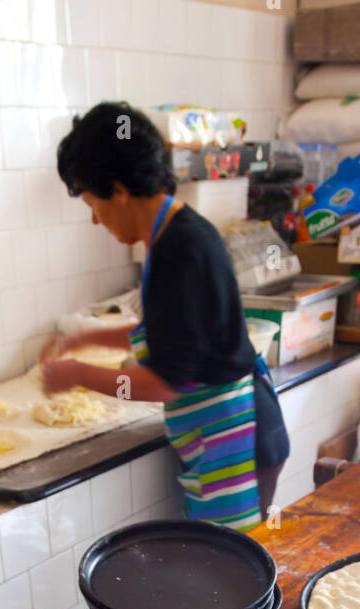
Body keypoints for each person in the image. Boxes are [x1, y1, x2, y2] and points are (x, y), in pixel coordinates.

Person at [40, 102, 288, 530]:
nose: (95, 220)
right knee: (227, 573)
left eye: (92, 204)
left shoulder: (180, 249)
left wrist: (77, 374)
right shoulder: (173, 233)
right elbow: (168, 334)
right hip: (233, 432)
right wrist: (88, 339)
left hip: (235, 440)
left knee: (230, 578)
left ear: (118, 190)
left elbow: (162, 384)